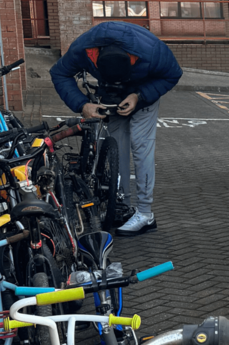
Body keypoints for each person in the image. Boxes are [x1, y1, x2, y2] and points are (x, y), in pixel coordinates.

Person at [50, 21, 183, 236]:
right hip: (110, 95)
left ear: (132, 61)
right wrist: (83, 105)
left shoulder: (153, 51)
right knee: (116, 149)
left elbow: (173, 73)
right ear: (94, 58)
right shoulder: (83, 50)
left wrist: (139, 96)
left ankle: (145, 214)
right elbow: (59, 73)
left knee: (141, 148)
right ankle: (121, 206)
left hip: (142, 94)